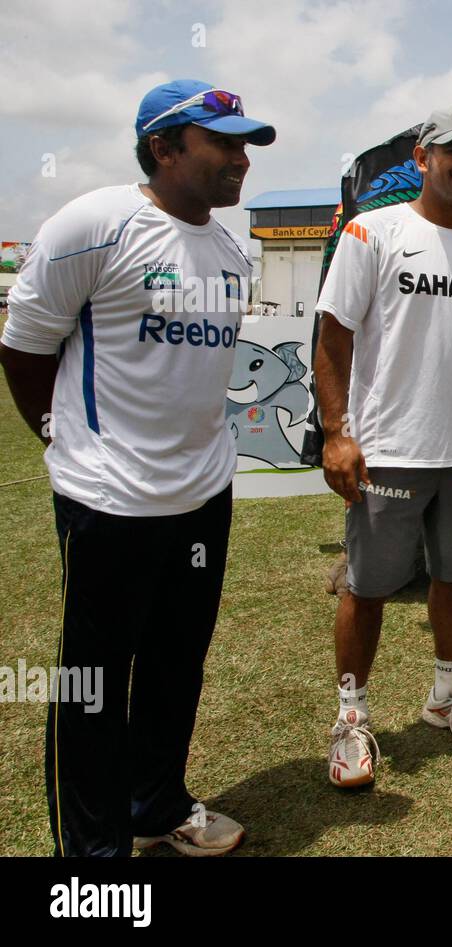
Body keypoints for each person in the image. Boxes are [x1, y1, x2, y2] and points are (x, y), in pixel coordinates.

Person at [0, 80, 275, 856]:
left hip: (202, 497)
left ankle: (156, 805)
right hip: (108, 501)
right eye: (222, 142)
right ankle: (91, 860)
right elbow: (24, 349)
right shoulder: (96, 224)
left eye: (245, 143)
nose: (240, 159)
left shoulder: (229, 248)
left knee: (175, 663)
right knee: (93, 686)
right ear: (163, 146)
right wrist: (63, 441)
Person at [314, 106, 452, 788]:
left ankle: (446, 695)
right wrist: (337, 432)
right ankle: (351, 717)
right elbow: (333, 338)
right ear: (421, 157)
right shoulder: (371, 231)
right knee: (368, 585)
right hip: (388, 449)